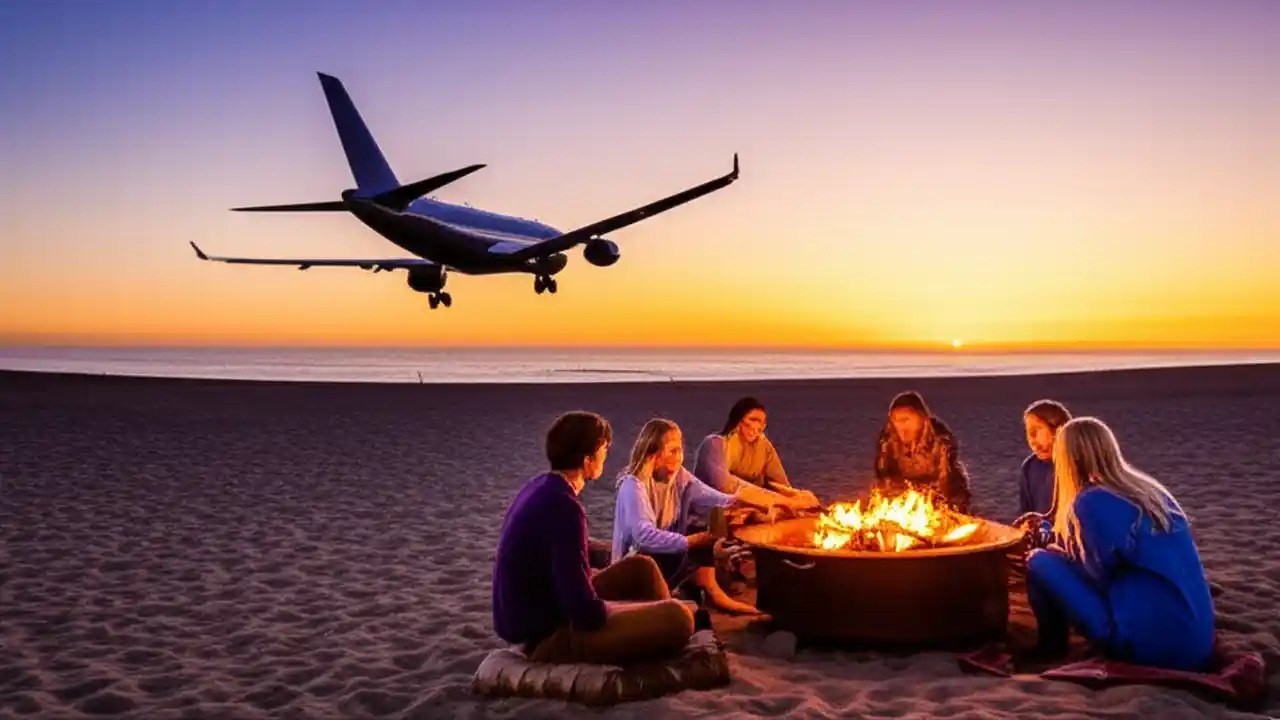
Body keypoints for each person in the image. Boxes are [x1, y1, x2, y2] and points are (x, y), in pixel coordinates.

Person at [492, 411, 694, 665]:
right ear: (588, 459)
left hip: (548, 605)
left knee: (642, 567)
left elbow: (560, 557)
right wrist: (622, 610)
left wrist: (604, 562)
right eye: (604, 449)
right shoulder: (564, 506)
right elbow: (585, 612)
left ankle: (653, 625)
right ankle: (660, 627)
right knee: (678, 617)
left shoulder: (541, 487)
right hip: (546, 635)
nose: (606, 456)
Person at [1026, 417, 1215, 670]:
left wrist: (1053, 552)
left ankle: (1051, 648)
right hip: (1197, 643)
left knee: (1037, 560)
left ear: (1069, 460)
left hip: (1149, 649)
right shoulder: (1150, 492)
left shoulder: (1090, 500)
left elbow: (1097, 577)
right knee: (1053, 557)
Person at [613, 418, 816, 614]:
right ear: (653, 455)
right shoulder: (633, 486)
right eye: (673, 451)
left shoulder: (679, 477)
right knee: (691, 535)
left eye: (680, 450)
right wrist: (691, 541)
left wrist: (778, 504)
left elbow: (719, 499)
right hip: (633, 573)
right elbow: (644, 537)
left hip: (662, 566)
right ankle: (665, 602)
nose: (679, 457)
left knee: (711, 515)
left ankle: (710, 590)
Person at [692, 396, 820, 510]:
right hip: (713, 510)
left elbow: (780, 484)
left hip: (752, 508)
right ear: (738, 421)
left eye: (760, 424)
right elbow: (725, 484)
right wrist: (778, 500)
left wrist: (796, 498)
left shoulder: (763, 447)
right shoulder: (715, 443)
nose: (755, 428)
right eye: (752, 421)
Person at [872, 391, 973, 512]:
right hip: (904, 495)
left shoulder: (941, 441)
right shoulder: (887, 441)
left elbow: (947, 479)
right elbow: (884, 476)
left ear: (921, 418)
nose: (901, 427)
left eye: (905, 420)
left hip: (939, 494)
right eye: (895, 421)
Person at [1018, 399, 1073, 518]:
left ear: (1058, 430)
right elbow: (1027, 513)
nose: (1032, 440)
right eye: (1028, 433)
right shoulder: (1030, 466)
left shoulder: (1079, 464)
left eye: (1034, 432)